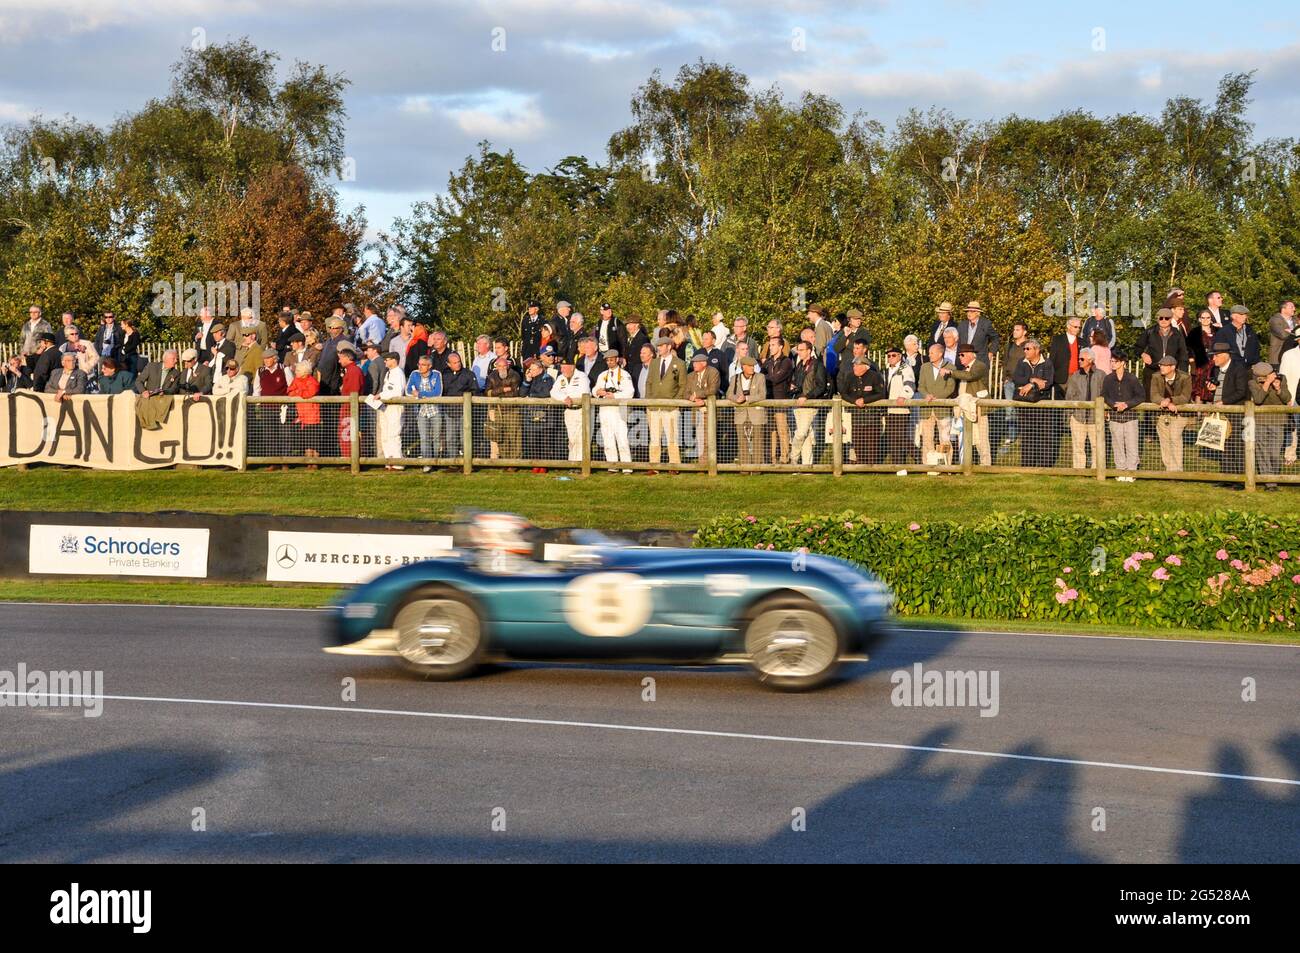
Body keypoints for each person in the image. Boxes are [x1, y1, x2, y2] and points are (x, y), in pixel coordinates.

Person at [1205, 341, 1249, 483]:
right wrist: (1212, 390)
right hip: (1221, 413)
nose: (1213, 359)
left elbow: (1241, 392)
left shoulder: (1239, 369)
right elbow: (1219, 389)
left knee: (1237, 446)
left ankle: (1240, 479)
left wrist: (1224, 402)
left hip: (1235, 412)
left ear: (1225, 355)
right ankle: (1226, 477)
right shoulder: (1216, 370)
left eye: (1216, 356)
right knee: (1223, 445)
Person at [644, 334, 686, 471]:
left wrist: (676, 402)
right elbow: (649, 382)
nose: (659, 348)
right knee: (654, 438)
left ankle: (674, 465)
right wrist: (649, 401)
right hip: (654, 407)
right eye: (658, 346)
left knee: (672, 437)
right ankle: (654, 465)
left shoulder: (679, 363)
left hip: (671, 408)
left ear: (669, 347)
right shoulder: (654, 362)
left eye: (661, 346)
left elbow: (682, 385)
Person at [1012, 339, 1055, 467]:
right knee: (1027, 435)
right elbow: (1017, 379)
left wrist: (1031, 385)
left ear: (1037, 350)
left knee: (1044, 435)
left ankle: (1044, 465)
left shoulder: (1047, 363)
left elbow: (1048, 382)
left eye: (1028, 348)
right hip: (1025, 405)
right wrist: (1033, 380)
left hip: (1043, 405)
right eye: (1024, 349)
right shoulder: (1021, 362)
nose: (1025, 351)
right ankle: (1027, 464)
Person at [1250, 362, 1291, 490]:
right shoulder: (1252, 382)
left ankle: (1274, 478)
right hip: (1261, 421)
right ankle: (1270, 483)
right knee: (1262, 453)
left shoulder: (1281, 378)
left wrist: (1278, 389)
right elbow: (1258, 399)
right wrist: (1267, 384)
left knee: (1274, 453)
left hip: (1278, 421)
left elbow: (1287, 399)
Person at [949, 343, 992, 466]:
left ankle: (986, 466)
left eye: (962, 355)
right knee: (966, 438)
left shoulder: (980, 366)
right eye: (959, 355)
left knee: (981, 440)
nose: (960, 358)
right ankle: (966, 464)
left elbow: (971, 376)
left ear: (971, 355)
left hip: (979, 409)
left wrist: (951, 372)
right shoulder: (963, 370)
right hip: (965, 409)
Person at [1149, 355, 1192, 472]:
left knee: (1175, 438)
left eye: (1164, 365)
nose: (1161, 367)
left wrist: (1171, 400)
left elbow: (1185, 397)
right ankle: (1169, 469)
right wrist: (1166, 403)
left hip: (1179, 413)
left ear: (1173, 367)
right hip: (1162, 414)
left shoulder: (1185, 377)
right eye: (1160, 365)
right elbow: (1154, 395)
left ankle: (1177, 470)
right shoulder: (1156, 377)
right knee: (1164, 440)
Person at [1102, 360, 1144, 480]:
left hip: (1130, 417)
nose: (1112, 363)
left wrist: (1127, 404)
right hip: (1115, 417)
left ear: (1122, 363)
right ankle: (1120, 470)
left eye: (1115, 361)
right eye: (1111, 361)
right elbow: (1104, 395)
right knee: (1117, 445)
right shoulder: (1108, 379)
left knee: (1132, 445)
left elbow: (1141, 396)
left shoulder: (1132, 378)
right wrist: (1113, 405)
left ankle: (1131, 472)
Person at [1064, 347, 1105, 470]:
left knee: (1096, 446)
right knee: (1078, 447)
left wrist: (1104, 412)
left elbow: (1105, 394)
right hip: (1078, 417)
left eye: (1082, 359)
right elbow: (1069, 396)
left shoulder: (1101, 375)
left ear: (1090, 360)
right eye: (1079, 359)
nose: (1079, 361)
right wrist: (1069, 416)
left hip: (1095, 417)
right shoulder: (1075, 376)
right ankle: (1079, 470)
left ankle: (1096, 470)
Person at [840, 356, 885, 465]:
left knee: (871, 444)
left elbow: (881, 393)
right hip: (856, 417)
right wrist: (854, 401)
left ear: (865, 366)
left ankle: (871, 467)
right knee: (858, 443)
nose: (854, 367)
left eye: (857, 365)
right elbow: (844, 393)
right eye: (854, 365)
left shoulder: (875, 376)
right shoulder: (850, 377)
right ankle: (860, 465)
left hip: (872, 417)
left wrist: (865, 400)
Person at [592, 349, 633, 471]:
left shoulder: (625, 375)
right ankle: (612, 465)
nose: (609, 362)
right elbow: (594, 390)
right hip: (605, 410)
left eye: (611, 360)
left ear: (616, 359)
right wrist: (598, 392)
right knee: (607, 438)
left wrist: (614, 396)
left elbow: (630, 392)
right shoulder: (602, 375)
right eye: (607, 360)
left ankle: (626, 467)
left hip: (619, 410)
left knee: (622, 438)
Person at [916, 342, 955, 466]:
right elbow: (920, 386)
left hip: (942, 409)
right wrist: (927, 395)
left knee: (945, 439)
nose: (929, 355)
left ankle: (947, 465)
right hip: (926, 409)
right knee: (927, 439)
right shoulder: (924, 367)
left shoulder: (950, 367)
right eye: (929, 353)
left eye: (932, 353)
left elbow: (950, 388)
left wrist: (937, 398)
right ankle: (928, 465)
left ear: (940, 353)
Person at [789, 340, 826, 467]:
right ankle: (807, 466)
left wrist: (807, 396)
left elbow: (821, 386)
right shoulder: (799, 365)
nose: (799, 352)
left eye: (802, 350)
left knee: (801, 433)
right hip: (797, 403)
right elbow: (798, 383)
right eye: (798, 350)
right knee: (806, 436)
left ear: (809, 351)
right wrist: (793, 387)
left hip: (809, 404)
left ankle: (793, 457)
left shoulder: (817, 364)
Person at [727, 355, 767, 470]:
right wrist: (736, 399)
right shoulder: (735, 378)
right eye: (750, 366)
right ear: (743, 367)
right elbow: (729, 394)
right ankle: (744, 468)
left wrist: (747, 398)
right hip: (740, 414)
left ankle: (757, 468)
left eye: (753, 366)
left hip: (756, 414)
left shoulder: (760, 377)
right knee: (742, 441)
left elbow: (762, 394)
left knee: (757, 441)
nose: (752, 368)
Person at [405, 353, 444, 470]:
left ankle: (436, 461)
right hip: (421, 411)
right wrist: (415, 394)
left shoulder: (436, 375)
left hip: (435, 411)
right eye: (419, 364)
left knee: (436, 437)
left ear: (429, 366)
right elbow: (408, 390)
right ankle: (427, 463)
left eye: (423, 365)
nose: (420, 367)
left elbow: (437, 393)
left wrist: (420, 394)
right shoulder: (414, 374)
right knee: (424, 438)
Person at [552, 355, 590, 464]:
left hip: (582, 411)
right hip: (569, 412)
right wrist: (564, 397)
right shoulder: (561, 378)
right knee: (572, 440)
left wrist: (568, 396)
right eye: (561, 367)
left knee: (581, 439)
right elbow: (553, 392)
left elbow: (584, 392)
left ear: (572, 367)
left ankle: (581, 464)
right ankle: (572, 463)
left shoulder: (582, 376)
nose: (562, 369)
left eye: (565, 367)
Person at [484, 354, 522, 464]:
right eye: (500, 366)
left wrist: (497, 392)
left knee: (514, 436)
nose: (502, 368)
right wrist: (502, 389)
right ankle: (505, 460)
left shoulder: (515, 376)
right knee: (501, 435)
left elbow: (515, 393)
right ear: (496, 366)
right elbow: (487, 393)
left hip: (512, 409)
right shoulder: (491, 376)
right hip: (497, 410)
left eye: (504, 366)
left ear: (508, 366)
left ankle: (515, 461)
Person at [881, 346, 915, 467]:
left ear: (900, 356)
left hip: (901, 409)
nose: (890, 358)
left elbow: (910, 385)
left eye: (893, 355)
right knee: (892, 439)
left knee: (900, 437)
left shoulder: (906, 369)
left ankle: (918, 456)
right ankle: (898, 465)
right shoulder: (886, 370)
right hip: (889, 409)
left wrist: (903, 396)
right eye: (889, 356)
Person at [439, 351, 476, 463]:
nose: (458, 364)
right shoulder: (444, 375)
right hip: (449, 411)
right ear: (449, 364)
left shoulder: (468, 374)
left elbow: (475, 390)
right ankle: (453, 462)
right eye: (454, 362)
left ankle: (467, 462)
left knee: (464, 438)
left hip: (464, 411)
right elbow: (441, 391)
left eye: (459, 361)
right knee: (450, 438)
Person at [685, 350, 722, 463]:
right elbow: (685, 393)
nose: (694, 365)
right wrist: (693, 398)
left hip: (709, 411)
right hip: (696, 411)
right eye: (693, 363)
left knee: (709, 438)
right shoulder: (691, 375)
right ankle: (702, 463)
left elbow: (712, 389)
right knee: (700, 438)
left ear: (704, 363)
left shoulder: (713, 372)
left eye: (696, 362)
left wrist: (696, 395)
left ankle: (710, 463)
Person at [1139, 308, 1189, 388]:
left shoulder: (1177, 334)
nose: (1163, 320)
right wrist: (1143, 354)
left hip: (1171, 372)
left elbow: (1183, 353)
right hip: (1152, 370)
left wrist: (1182, 372)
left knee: (1169, 398)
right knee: (1149, 398)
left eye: (1167, 318)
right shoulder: (1149, 332)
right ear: (1157, 319)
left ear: (1171, 319)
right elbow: (1138, 347)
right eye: (1161, 318)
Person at [133, 349, 182, 430]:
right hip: (149, 398)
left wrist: (164, 392)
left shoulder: (176, 373)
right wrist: (143, 391)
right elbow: (139, 381)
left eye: (176, 359)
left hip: (163, 400)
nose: (176, 361)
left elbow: (174, 389)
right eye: (174, 359)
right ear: (166, 359)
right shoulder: (151, 366)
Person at [288, 360, 323, 468]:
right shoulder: (296, 380)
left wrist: (298, 392)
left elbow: (310, 393)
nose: (295, 372)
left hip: (313, 415)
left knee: (314, 440)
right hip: (302, 414)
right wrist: (299, 392)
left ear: (305, 371)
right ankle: (308, 462)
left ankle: (315, 462)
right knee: (307, 440)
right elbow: (289, 391)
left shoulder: (312, 381)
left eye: (298, 370)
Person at [378, 351, 407, 469]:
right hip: (385, 406)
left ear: (394, 360)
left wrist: (381, 395)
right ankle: (388, 460)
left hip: (395, 406)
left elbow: (397, 391)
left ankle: (397, 463)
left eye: (387, 359)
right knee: (385, 434)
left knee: (394, 434)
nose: (385, 361)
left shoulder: (398, 373)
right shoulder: (388, 373)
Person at [1049, 317, 1084, 399]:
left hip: (1077, 377)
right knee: (1059, 406)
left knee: (1075, 404)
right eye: (1075, 327)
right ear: (1068, 326)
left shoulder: (1083, 342)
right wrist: (1051, 377)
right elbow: (1052, 359)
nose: (1078, 329)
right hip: (1060, 378)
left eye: (1079, 327)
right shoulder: (1057, 339)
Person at [1267, 301, 1297, 367]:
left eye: (1294, 307)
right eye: (1291, 307)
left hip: (1294, 356)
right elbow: (1283, 335)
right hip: (1277, 357)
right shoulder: (1274, 320)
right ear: (1283, 309)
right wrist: (1295, 331)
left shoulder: (1296, 320)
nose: (1294, 309)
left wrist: (1290, 331)